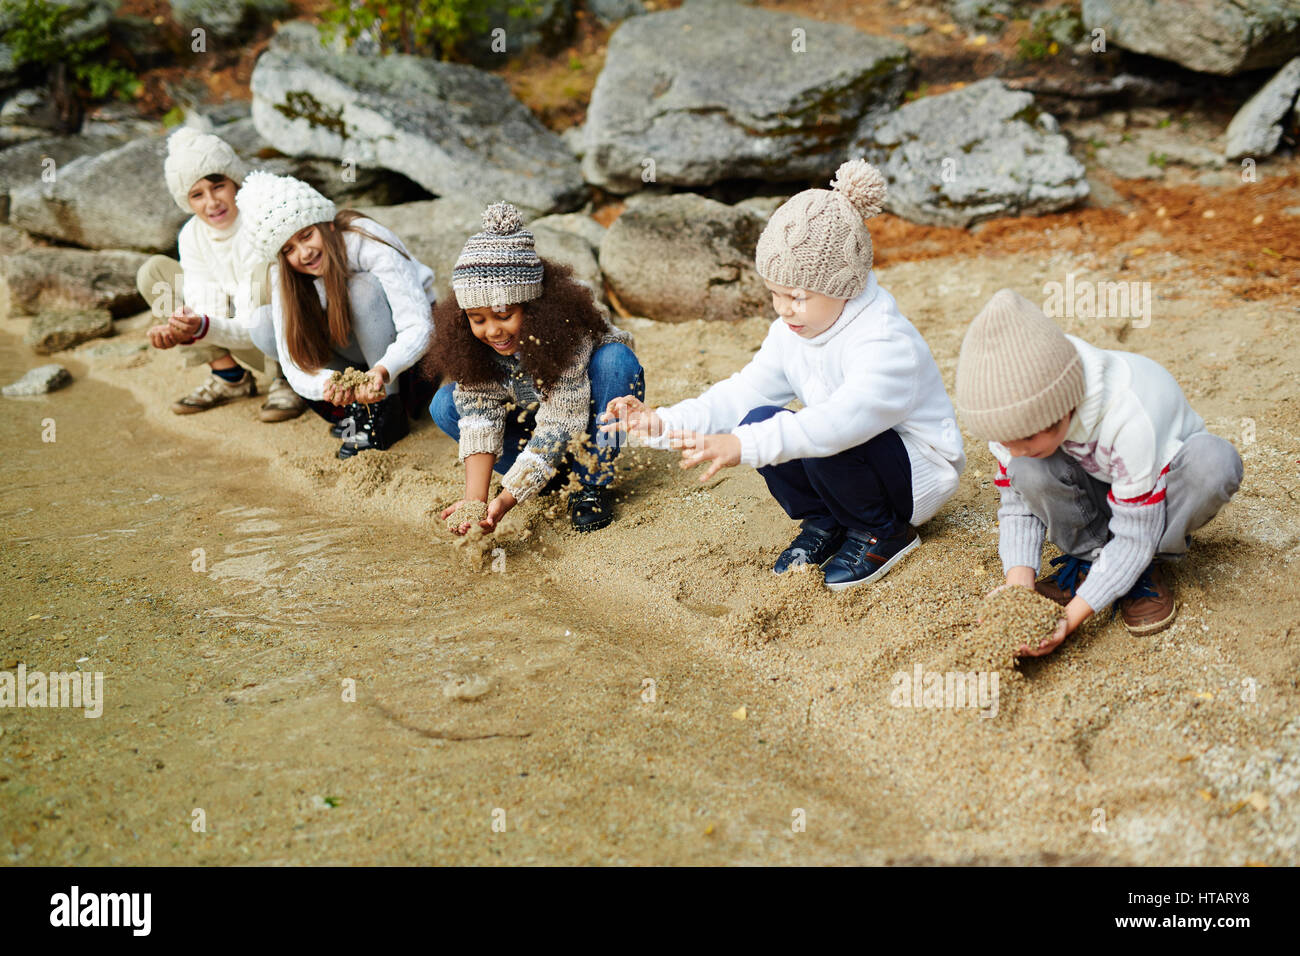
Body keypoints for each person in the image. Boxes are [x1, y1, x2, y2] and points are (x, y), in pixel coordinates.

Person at [601, 159, 965, 589]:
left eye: (797, 296)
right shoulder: (794, 330)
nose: (783, 308)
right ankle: (826, 518)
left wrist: (744, 446)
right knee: (759, 416)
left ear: (843, 286)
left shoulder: (884, 341)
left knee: (811, 431)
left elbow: (841, 421)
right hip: (845, 448)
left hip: (912, 472)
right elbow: (742, 394)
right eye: (774, 293)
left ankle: (882, 532)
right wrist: (661, 423)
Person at [955, 288, 1244, 652]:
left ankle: (1143, 568)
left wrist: (1070, 619)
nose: (1012, 450)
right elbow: (1018, 503)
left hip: (1158, 491)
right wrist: (1018, 585)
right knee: (1028, 468)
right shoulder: (1012, 420)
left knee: (1214, 465)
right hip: (1101, 483)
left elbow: (1135, 534)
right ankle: (1094, 557)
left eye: (1024, 438)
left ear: (1061, 407)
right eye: (1003, 441)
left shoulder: (1128, 416)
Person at [430, 202, 644, 534]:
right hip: (534, 418)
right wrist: (477, 501)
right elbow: (479, 420)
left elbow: (561, 421)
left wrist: (504, 501)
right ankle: (547, 475)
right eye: (478, 319)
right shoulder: (477, 349)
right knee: (445, 404)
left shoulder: (567, 333)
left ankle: (591, 483)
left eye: (504, 315)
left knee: (615, 361)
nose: (492, 331)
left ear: (534, 309)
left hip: (584, 413)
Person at [233, 171, 437, 459]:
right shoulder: (284, 276)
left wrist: (383, 370)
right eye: (289, 249)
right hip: (353, 353)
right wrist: (327, 383)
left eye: (307, 235)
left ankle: (385, 409)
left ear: (326, 223)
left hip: (411, 362)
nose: (304, 253)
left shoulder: (362, 238)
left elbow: (420, 326)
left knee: (361, 290)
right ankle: (357, 404)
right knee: (263, 324)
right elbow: (293, 364)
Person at [138, 126, 306, 421]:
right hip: (230, 330)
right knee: (153, 273)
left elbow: (254, 313)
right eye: (197, 195)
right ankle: (229, 377)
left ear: (235, 183)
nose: (211, 202)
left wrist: (202, 328)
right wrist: (188, 328)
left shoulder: (257, 219)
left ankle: (287, 378)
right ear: (186, 201)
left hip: (277, 336)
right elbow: (204, 298)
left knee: (264, 276)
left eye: (218, 187)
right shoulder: (191, 235)